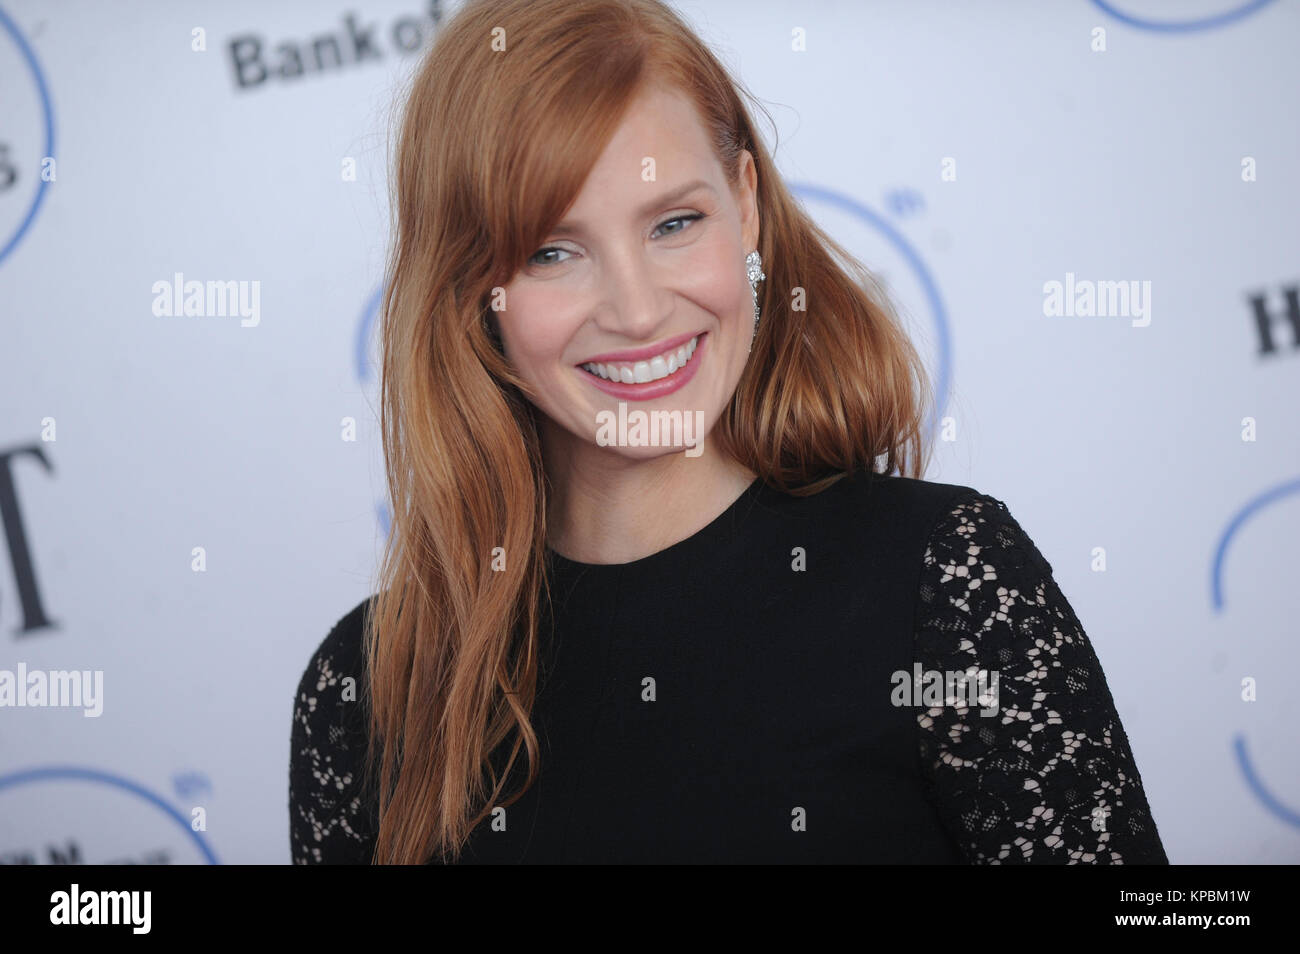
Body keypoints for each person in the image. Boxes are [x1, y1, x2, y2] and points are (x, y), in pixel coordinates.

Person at [289, 0, 1168, 865]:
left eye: (675, 223)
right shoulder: (366, 692)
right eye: (552, 252)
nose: (636, 312)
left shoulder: (947, 586)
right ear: (473, 287)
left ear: (745, 205)